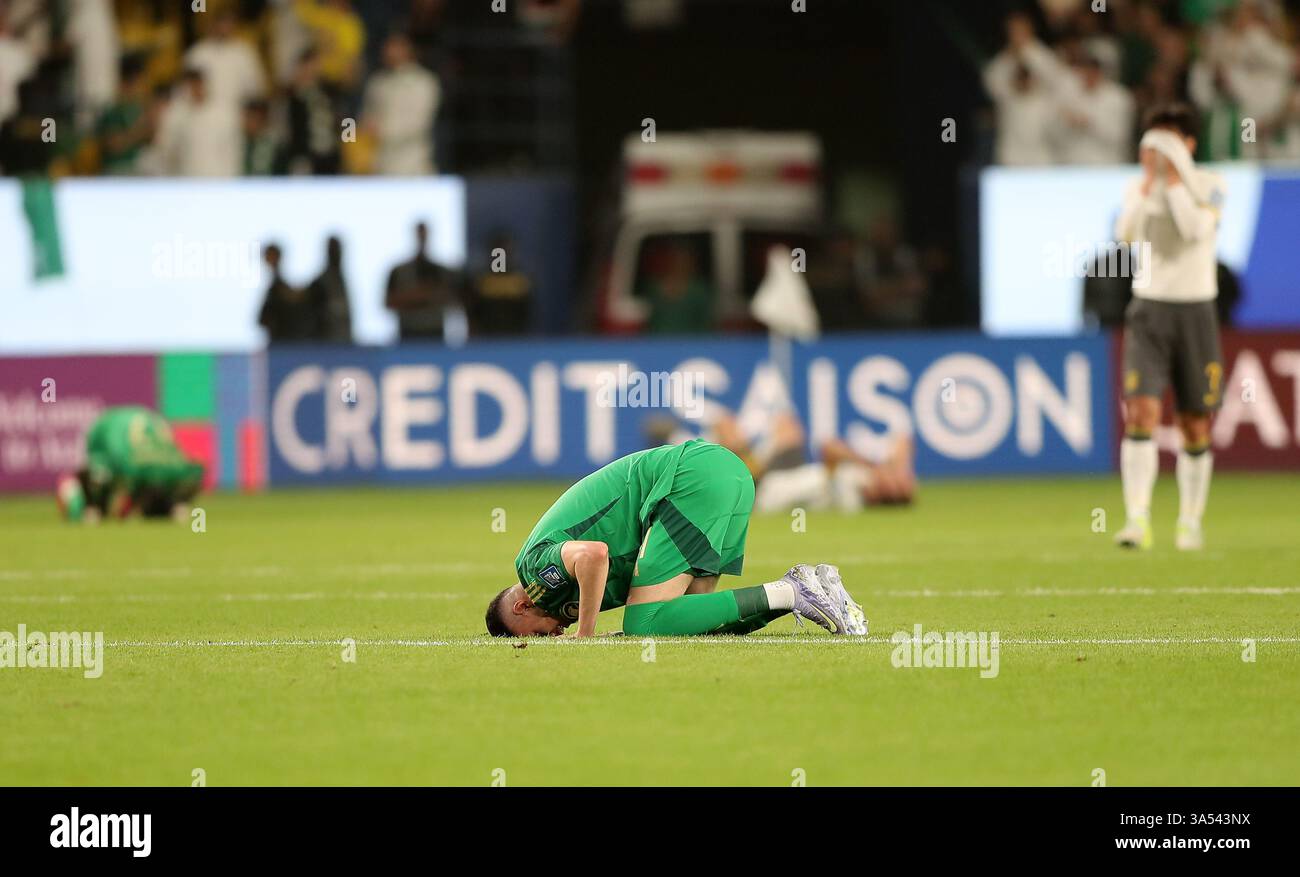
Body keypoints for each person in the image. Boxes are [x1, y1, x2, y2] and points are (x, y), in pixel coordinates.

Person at [486, 439, 868, 638]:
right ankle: (812, 590)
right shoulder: (560, 602)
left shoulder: (535, 572)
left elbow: (593, 556)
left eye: (537, 635)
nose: (553, 635)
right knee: (694, 623)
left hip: (690, 480)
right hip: (728, 476)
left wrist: (586, 635)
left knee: (645, 623)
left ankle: (793, 590)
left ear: (520, 608)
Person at [1112, 103, 1226, 552]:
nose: (1157, 153)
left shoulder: (1212, 186)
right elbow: (1125, 237)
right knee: (1140, 410)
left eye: (1168, 143)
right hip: (1149, 310)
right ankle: (1136, 519)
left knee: (1194, 422)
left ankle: (1189, 521)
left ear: (1189, 146)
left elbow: (1195, 230)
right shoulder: (1137, 188)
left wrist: (1176, 184)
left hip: (1196, 310)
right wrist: (1145, 191)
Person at [55, 406, 204, 524]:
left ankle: (94, 509)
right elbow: (194, 467)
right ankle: (172, 506)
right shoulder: (147, 420)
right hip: (176, 474)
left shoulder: (105, 429)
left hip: (134, 470)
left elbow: (101, 469)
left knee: (100, 478)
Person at [361, 32, 440, 175]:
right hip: (381, 166)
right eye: (387, 46)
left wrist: (382, 131)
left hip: (414, 166)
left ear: (408, 48)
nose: (388, 51)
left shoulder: (424, 82)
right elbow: (366, 118)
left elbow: (419, 124)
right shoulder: (376, 82)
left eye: (394, 46)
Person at [384, 221, 460, 341]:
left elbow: (452, 300)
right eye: (420, 234)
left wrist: (428, 295)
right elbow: (389, 302)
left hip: (436, 333)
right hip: (407, 333)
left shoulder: (442, 272)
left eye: (424, 235)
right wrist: (417, 296)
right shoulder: (399, 271)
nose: (422, 239)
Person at [258, 242, 322, 342]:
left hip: (287, 346)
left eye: (270, 256)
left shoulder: (279, 288)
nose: (268, 260)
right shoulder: (276, 287)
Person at [308, 235, 352, 342]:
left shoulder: (341, 279)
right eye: (333, 250)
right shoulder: (320, 282)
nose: (336, 254)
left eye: (337, 250)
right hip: (326, 343)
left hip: (344, 340)